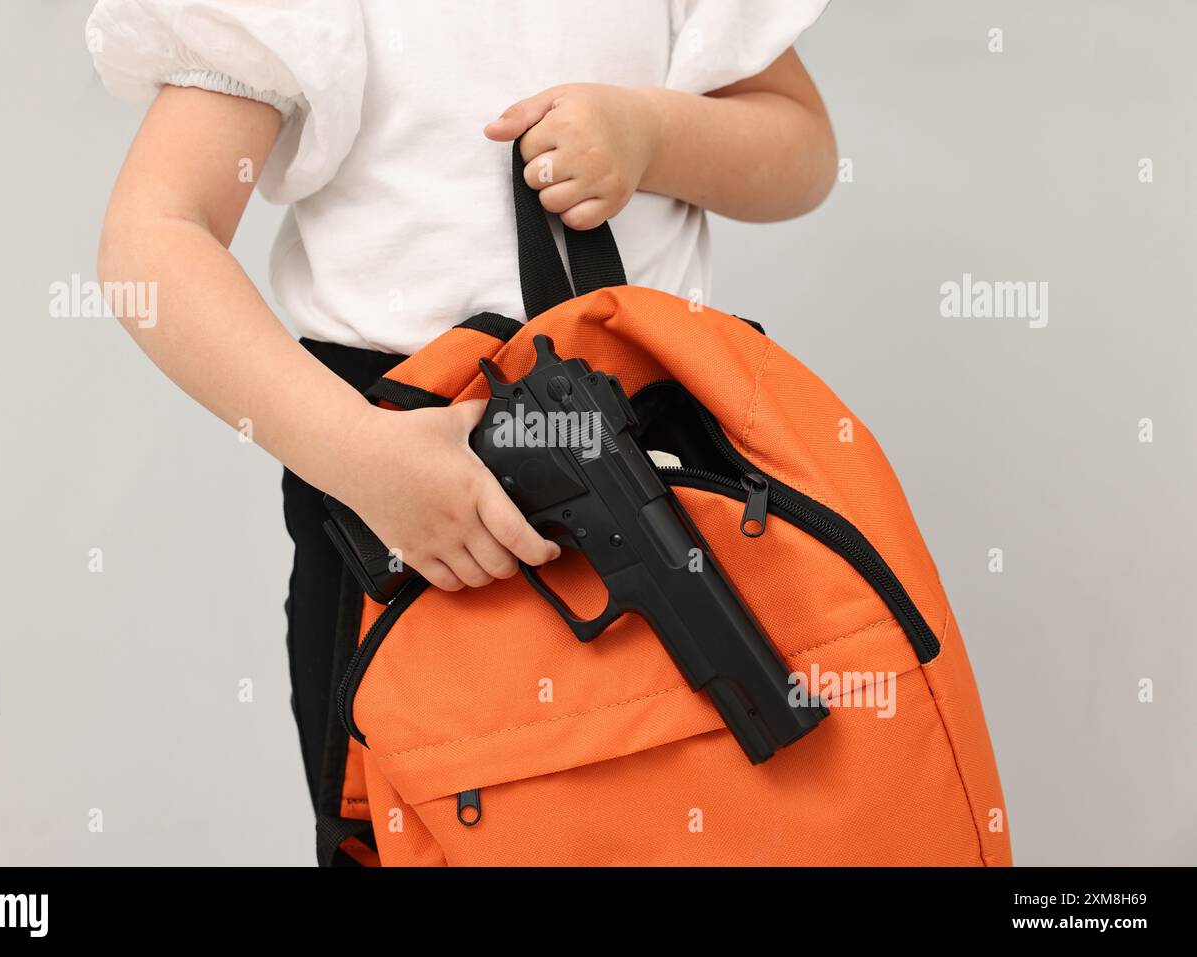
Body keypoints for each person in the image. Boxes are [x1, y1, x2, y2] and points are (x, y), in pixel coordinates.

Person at [88, 0, 837, 817]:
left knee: (699, 801)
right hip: (400, 480)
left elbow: (802, 147)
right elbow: (151, 236)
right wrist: (363, 456)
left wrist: (655, 135)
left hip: (653, 460)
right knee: (420, 818)